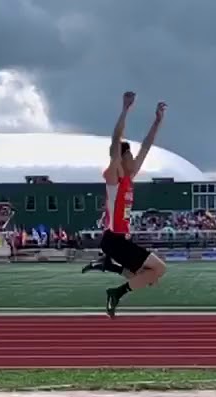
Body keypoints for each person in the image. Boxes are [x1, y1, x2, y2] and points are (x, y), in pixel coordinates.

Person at [80, 91, 168, 317]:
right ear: (121, 159)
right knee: (159, 269)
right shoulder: (114, 178)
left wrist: (157, 122)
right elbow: (116, 141)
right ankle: (116, 292)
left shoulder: (129, 178)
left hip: (118, 241)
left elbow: (146, 147)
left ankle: (109, 267)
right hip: (114, 240)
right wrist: (125, 109)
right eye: (129, 157)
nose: (134, 160)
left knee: (150, 279)